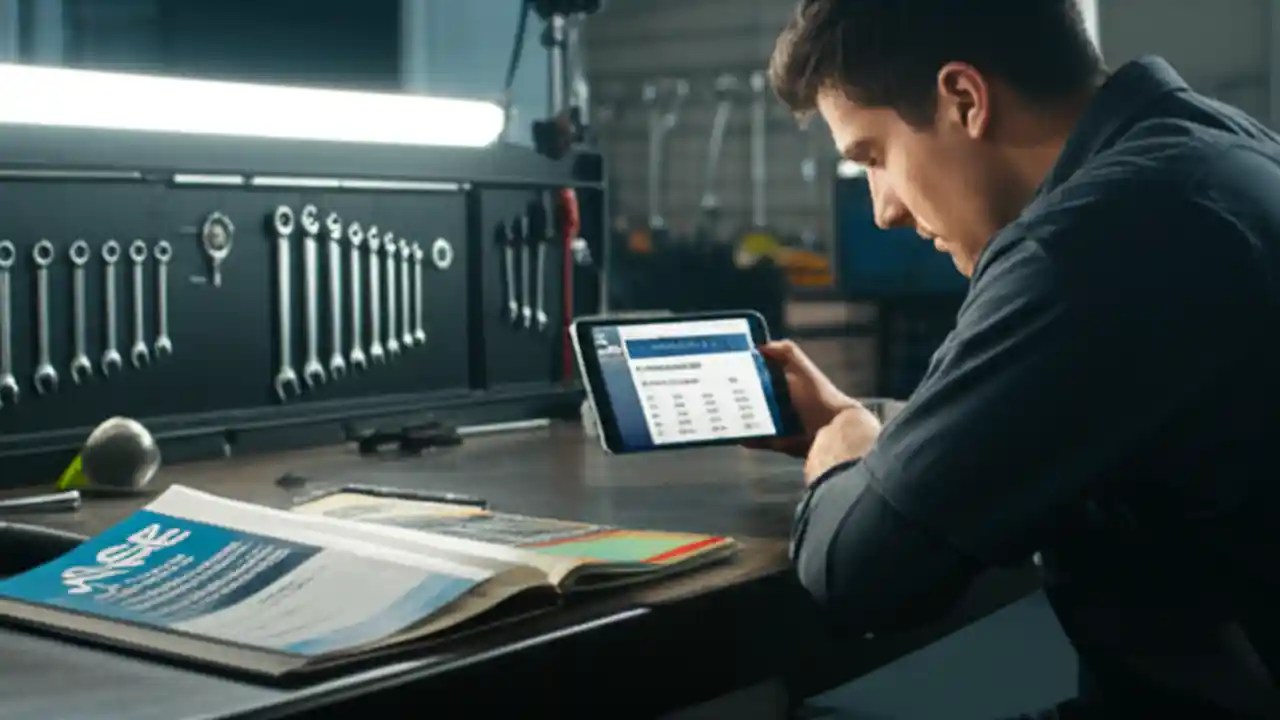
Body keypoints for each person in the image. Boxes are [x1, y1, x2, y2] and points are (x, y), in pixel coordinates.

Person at [751, 0, 1280, 717]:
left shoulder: (1089, 243)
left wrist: (845, 451)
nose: (884, 210)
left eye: (873, 157)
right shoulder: (1221, 154)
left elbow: (861, 572)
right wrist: (878, 432)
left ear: (964, 99)